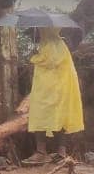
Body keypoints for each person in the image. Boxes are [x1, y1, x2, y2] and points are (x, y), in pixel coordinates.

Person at [25, 27, 85, 163]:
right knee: (57, 119)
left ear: (43, 31)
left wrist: (34, 57)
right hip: (52, 89)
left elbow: (49, 61)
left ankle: (42, 152)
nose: (33, 37)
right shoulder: (55, 44)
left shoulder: (52, 44)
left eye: (36, 32)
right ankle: (60, 152)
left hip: (52, 91)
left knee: (41, 117)